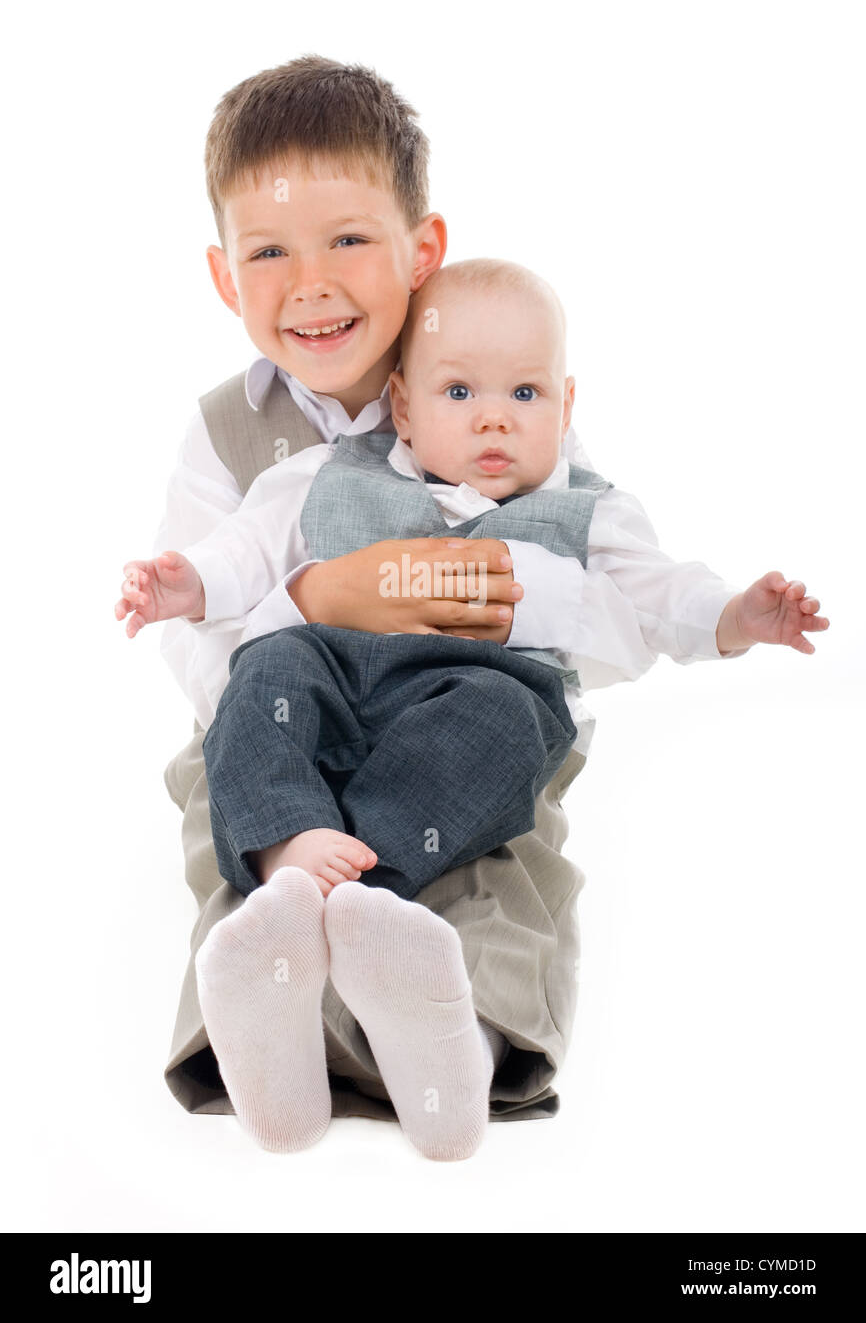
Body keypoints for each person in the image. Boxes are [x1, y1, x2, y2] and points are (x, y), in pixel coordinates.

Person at [119, 258, 828, 1159]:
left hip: (472, 698)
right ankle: (289, 860)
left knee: (507, 719)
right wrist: (188, 583)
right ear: (404, 406)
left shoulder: (586, 511)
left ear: (565, 408)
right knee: (262, 679)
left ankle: (369, 922)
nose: (495, 416)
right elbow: (245, 552)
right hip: (336, 675)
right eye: (459, 390)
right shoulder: (332, 475)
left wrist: (733, 616)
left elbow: (662, 594)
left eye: (525, 392)